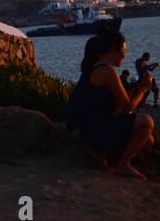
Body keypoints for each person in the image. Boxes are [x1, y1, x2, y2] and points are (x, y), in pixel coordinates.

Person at [66, 29, 155, 177]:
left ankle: (102, 155)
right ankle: (122, 165)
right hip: (93, 131)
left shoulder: (94, 68)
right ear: (114, 50)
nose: (125, 55)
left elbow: (119, 107)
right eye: (123, 50)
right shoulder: (107, 72)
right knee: (147, 122)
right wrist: (143, 89)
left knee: (148, 140)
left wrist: (137, 89)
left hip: (89, 128)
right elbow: (128, 107)